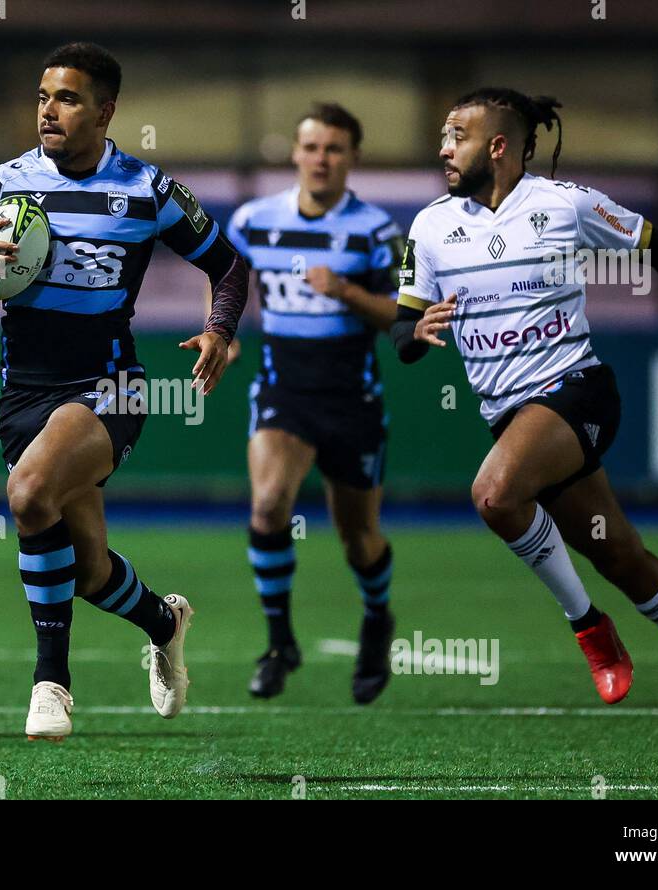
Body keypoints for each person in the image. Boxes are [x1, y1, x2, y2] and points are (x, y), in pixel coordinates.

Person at [390, 87, 658, 748]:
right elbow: (402, 335)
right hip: (512, 419)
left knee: (494, 495)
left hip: (577, 392)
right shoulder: (430, 227)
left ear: (497, 146)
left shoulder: (564, 205)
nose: (443, 148)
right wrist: (416, 335)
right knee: (619, 555)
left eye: (456, 135)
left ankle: (586, 626)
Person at [0, 43, 248, 742]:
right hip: (25, 396)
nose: (49, 110)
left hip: (113, 386)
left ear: (105, 111)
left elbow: (227, 265)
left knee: (29, 495)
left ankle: (52, 685)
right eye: (43, 96)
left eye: (67, 98)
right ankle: (164, 621)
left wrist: (220, 328)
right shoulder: (0, 189)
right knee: (90, 570)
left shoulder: (146, 189)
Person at [225, 103, 403, 703]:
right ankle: (279, 642)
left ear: (353, 157)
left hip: (352, 400)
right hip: (284, 393)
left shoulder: (377, 230)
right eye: (311, 147)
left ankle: (378, 621)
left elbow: (400, 317)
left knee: (359, 539)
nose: (320, 159)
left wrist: (346, 290)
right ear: (295, 153)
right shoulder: (253, 220)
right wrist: (219, 332)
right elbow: (225, 274)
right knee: (270, 504)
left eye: (333, 148)